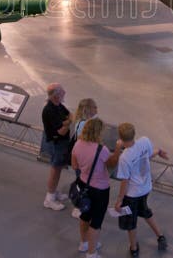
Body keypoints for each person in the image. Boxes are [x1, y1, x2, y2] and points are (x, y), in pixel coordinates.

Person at [114, 122, 169, 256]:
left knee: (130, 221)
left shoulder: (124, 158)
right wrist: (160, 151)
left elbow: (125, 181)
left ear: (120, 138)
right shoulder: (144, 141)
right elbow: (149, 155)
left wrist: (119, 200)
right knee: (144, 211)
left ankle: (134, 248)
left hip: (132, 194)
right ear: (134, 134)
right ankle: (160, 236)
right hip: (145, 187)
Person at [71, 118, 121, 258]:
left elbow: (74, 166)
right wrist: (117, 150)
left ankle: (84, 243)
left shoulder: (77, 144)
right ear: (98, 132)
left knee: (85, 215)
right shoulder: (102, 149)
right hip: (100, 189)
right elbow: (111, 164)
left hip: (83, 184)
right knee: (96, 221)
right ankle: (92, 253)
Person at [41, 82, 71, 211]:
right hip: (56, 144)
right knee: (55, 170)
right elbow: (61, 131)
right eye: (62, 92)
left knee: (58, 169)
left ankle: (53, 191)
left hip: (61, 143)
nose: (64, 93)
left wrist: (67, 121)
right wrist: (68, 123)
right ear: (55, 95)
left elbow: (69, 115)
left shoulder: (59, 106)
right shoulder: (49, 110)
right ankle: (49, 199)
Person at [69, 98, 99, 219]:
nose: (97, 109)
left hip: (82, 158)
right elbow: (87, 142)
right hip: (83, 160)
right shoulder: (84, 124)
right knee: (82, 182)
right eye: (94, 107)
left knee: (84, 181)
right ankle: (78, 207)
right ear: (88, 109)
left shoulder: (82, 122)